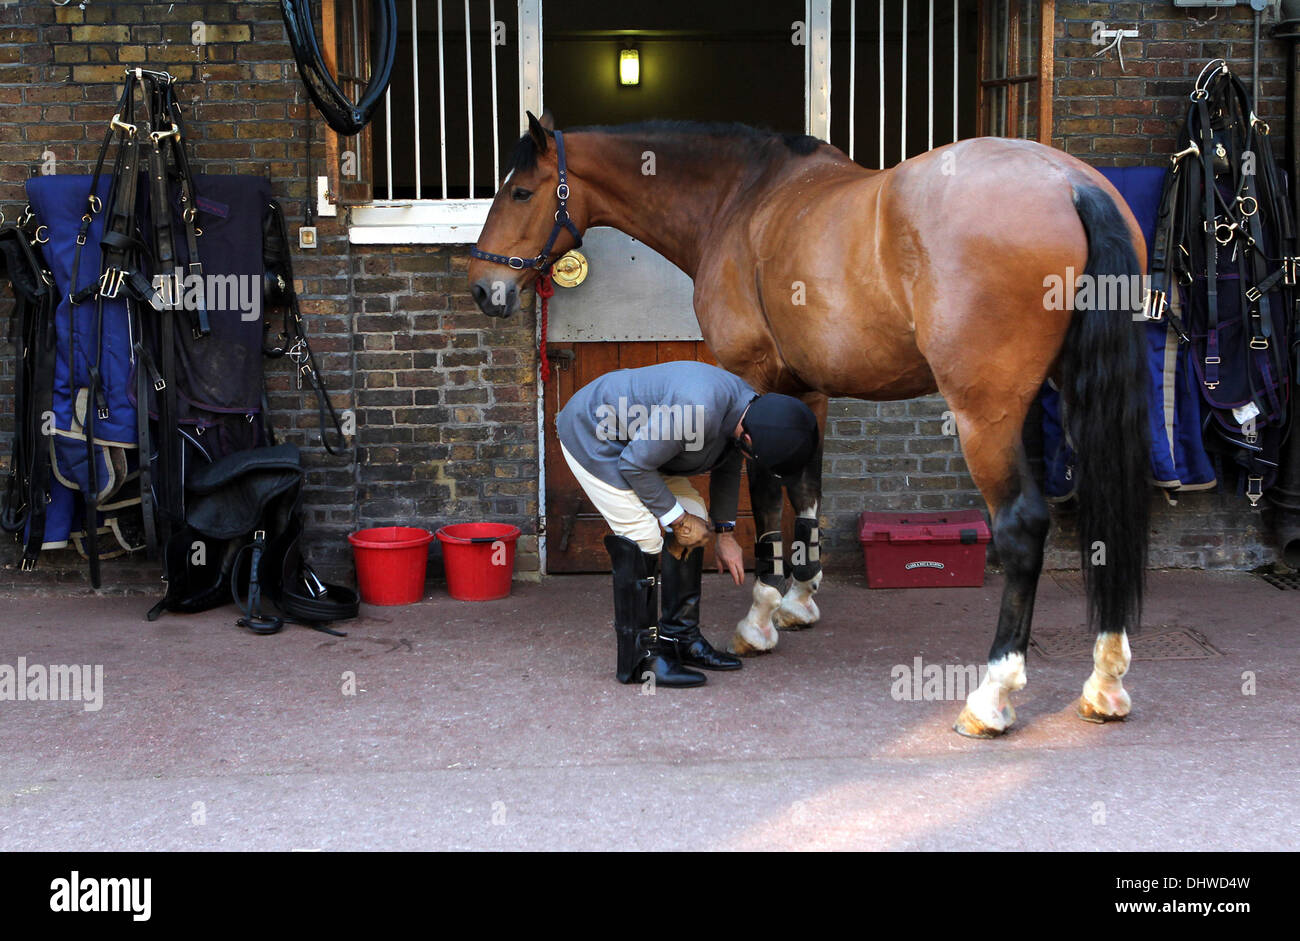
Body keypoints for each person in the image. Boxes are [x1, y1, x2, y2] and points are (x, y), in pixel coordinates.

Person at [557, 361, 819, 689]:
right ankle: (640, 660)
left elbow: (727, 466)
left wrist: (724, 533)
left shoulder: (750, 412)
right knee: (645, 536)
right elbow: (634, 465)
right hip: (598, 437)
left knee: (694, 512)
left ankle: (680, 638)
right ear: (750, 437)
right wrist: (679, 520)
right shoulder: (698, 410)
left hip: (645, 448)